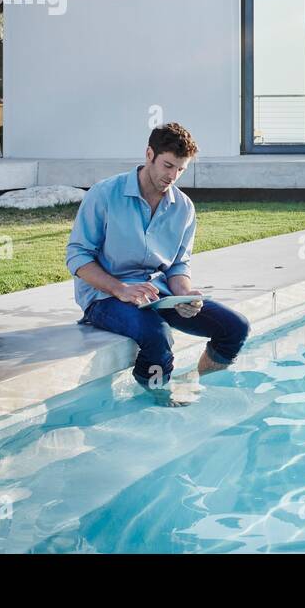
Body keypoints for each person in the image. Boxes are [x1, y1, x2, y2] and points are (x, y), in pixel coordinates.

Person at [66, 122, 250, 405]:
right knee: (157, 335)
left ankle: (197, 386)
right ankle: (154, 400)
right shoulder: (104, 194)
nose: (173, 176)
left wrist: (185, 294)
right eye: (168, 166)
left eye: (180, 169)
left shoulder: (184, 207)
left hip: (159, 294)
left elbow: (177, 266)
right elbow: (77, 257)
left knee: (235, 327)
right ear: (149, 154)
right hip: (104, 297)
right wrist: (120, 289)